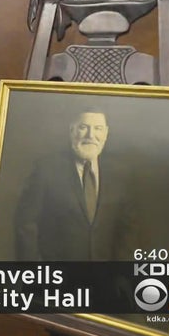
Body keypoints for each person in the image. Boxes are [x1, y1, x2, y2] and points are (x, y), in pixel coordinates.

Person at [15, 107, 138, 261]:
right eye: (83, 127)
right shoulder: (46, 170)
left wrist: (121, 275)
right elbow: (26, 225)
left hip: (106, 278)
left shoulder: (120, 175)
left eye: (97, 129)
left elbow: (129, 230)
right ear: (71, 131)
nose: (90, 135)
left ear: (106, 133)